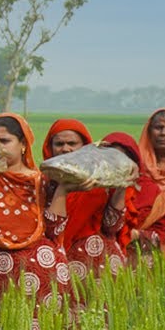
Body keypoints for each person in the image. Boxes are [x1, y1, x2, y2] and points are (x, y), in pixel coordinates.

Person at [0, 113, 75, 330]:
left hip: (42, 271)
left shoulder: (41, 181)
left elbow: (55, 229)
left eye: (4, 141)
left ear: (23, 144)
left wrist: (62, 188)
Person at [41, 119, 128, 279]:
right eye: (59, 144)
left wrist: (122, 183)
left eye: (72, 143)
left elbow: (112, 226)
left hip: (100, 265)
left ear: (84, 147)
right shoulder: (43, 184)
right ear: (50, 148)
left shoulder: (101, 181)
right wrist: (63, 190)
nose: (65, 149)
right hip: (59, 264)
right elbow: (51, 231)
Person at [101, 131, 165, 265]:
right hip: (100, 261)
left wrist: (137, 235)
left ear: (134, 161)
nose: (117, 163)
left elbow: (164, 228)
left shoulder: (148, 190)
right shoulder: (91, 188)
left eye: (123, 158)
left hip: (140, 263)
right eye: (111, 158)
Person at [138, 108, 165, 250]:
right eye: (158, 128)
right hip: (143, 245)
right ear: (149, 132)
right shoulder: (136, 168)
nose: (163, 133)